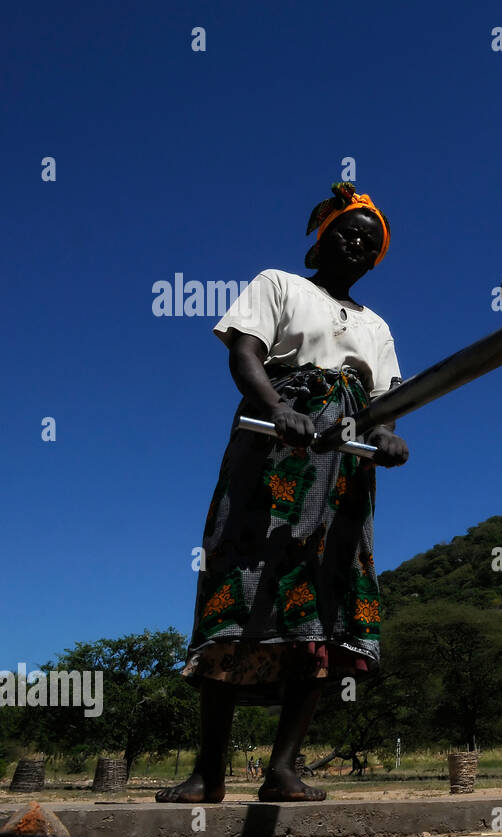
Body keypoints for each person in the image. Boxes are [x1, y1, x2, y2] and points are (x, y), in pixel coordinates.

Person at [157, 183, 409, 804]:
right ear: (321, 239)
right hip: (271, 452)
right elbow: (245, 354)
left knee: (321, 603)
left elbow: (384, 406)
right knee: (236, 588)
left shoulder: (377, 326)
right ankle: (208, 773)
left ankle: (283, 770)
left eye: (369, 242)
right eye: (347, 232)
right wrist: (280, 409)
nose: (356, 243)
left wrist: (388, 438)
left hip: (344, 470)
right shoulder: (278, 284)